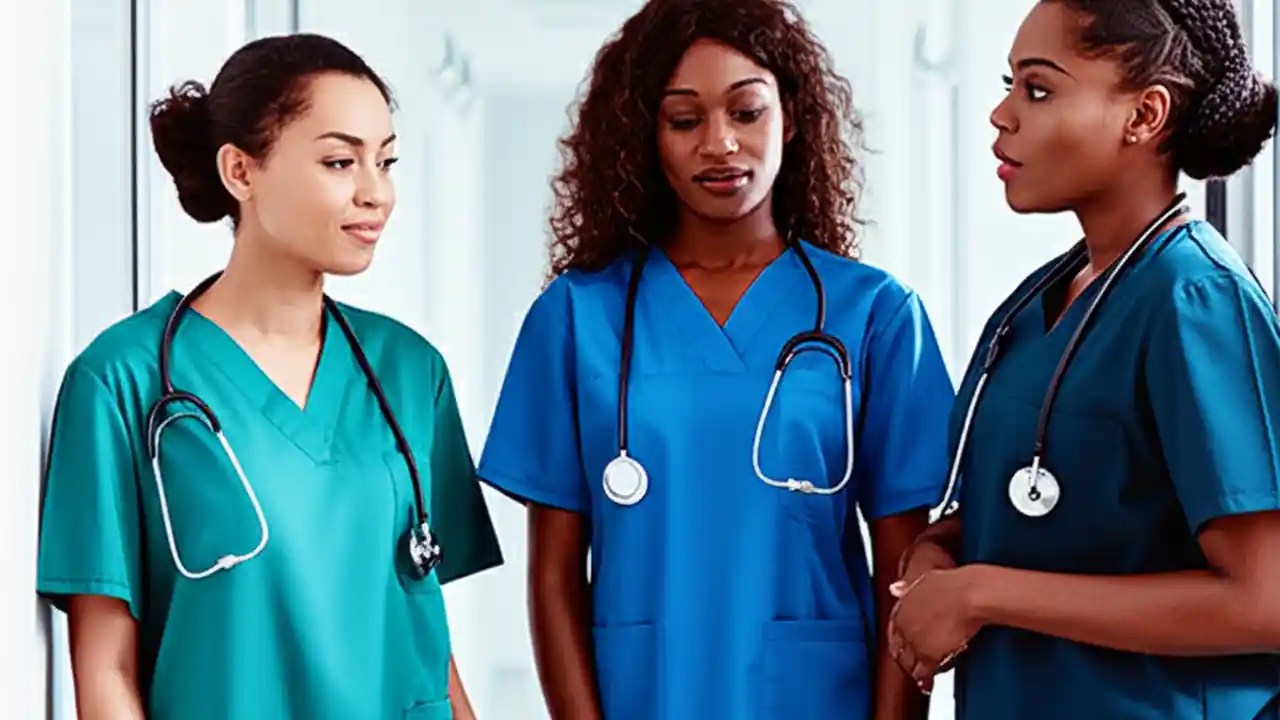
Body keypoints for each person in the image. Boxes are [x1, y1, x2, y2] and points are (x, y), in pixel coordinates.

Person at [477, 1, 955, 718]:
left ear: (789, 118)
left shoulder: (876, 317)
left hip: (815, 699)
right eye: (684, 120)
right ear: (649, 135)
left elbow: (904, 569)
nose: (720, 144)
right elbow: (552, 575)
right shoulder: (578, 318)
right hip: (643, 696)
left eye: (747, 112)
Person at [36, 33, 502, 720]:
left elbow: (420, 633)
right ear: (241, 172)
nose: (377, 193)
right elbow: (105, 668)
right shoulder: (122, 382)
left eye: (387, 161)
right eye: (341, 161)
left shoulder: (409, 370)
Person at [887, 1, 1280, 717]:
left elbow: (1266, 600)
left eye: (1037, 89)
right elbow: (1042, 518)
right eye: (1008, 85)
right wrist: (939, 557)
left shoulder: (1195, 301)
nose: (1002, 115)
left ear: (1145, 115)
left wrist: (983, 593)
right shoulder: (1039, 302)